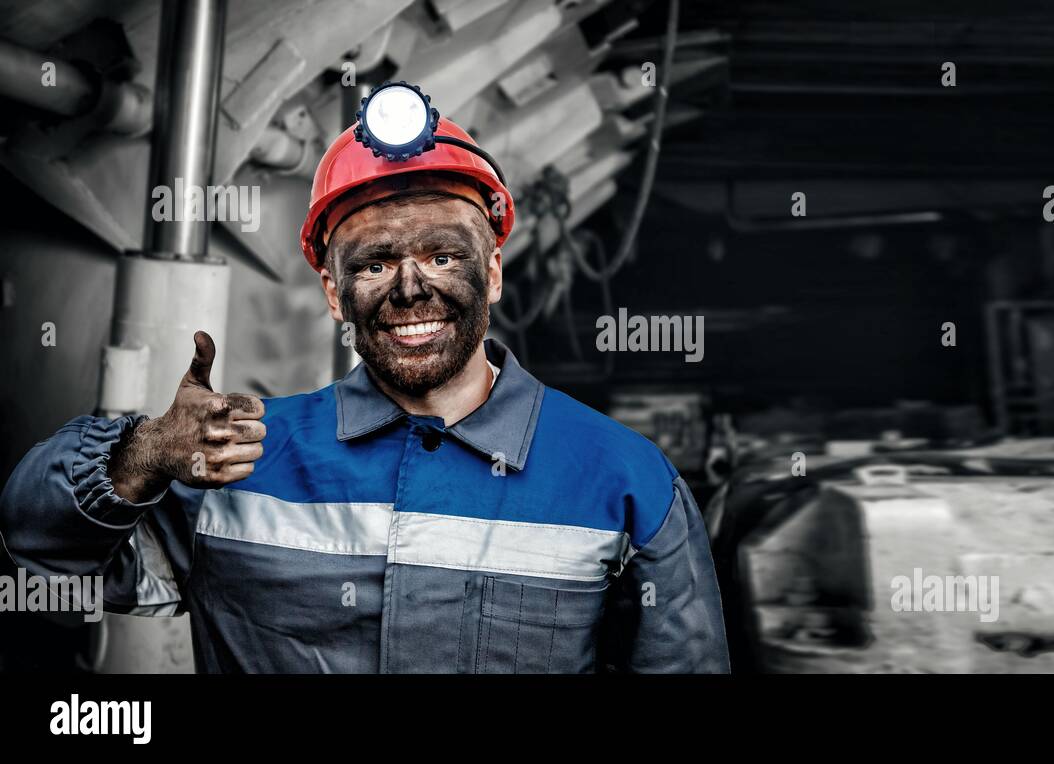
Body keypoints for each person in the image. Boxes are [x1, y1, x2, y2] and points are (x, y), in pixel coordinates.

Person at [0, 95, 729, 674]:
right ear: (332, 291)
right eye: (375, 263)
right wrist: (143, 453)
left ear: (495, 271)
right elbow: (41, 562)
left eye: (444, 255)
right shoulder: (237, 462)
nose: (411, 288)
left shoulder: (624, 482)